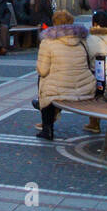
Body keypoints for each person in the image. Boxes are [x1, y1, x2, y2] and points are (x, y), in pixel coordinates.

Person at [34, 11, 96, 140]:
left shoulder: (47, 42)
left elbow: (43, 70)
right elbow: (90, 64)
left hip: (58, 88)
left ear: (54, 23)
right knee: (52, 85)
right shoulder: (82, 40)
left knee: (44, 83)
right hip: (84, 87)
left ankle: (47, 129)